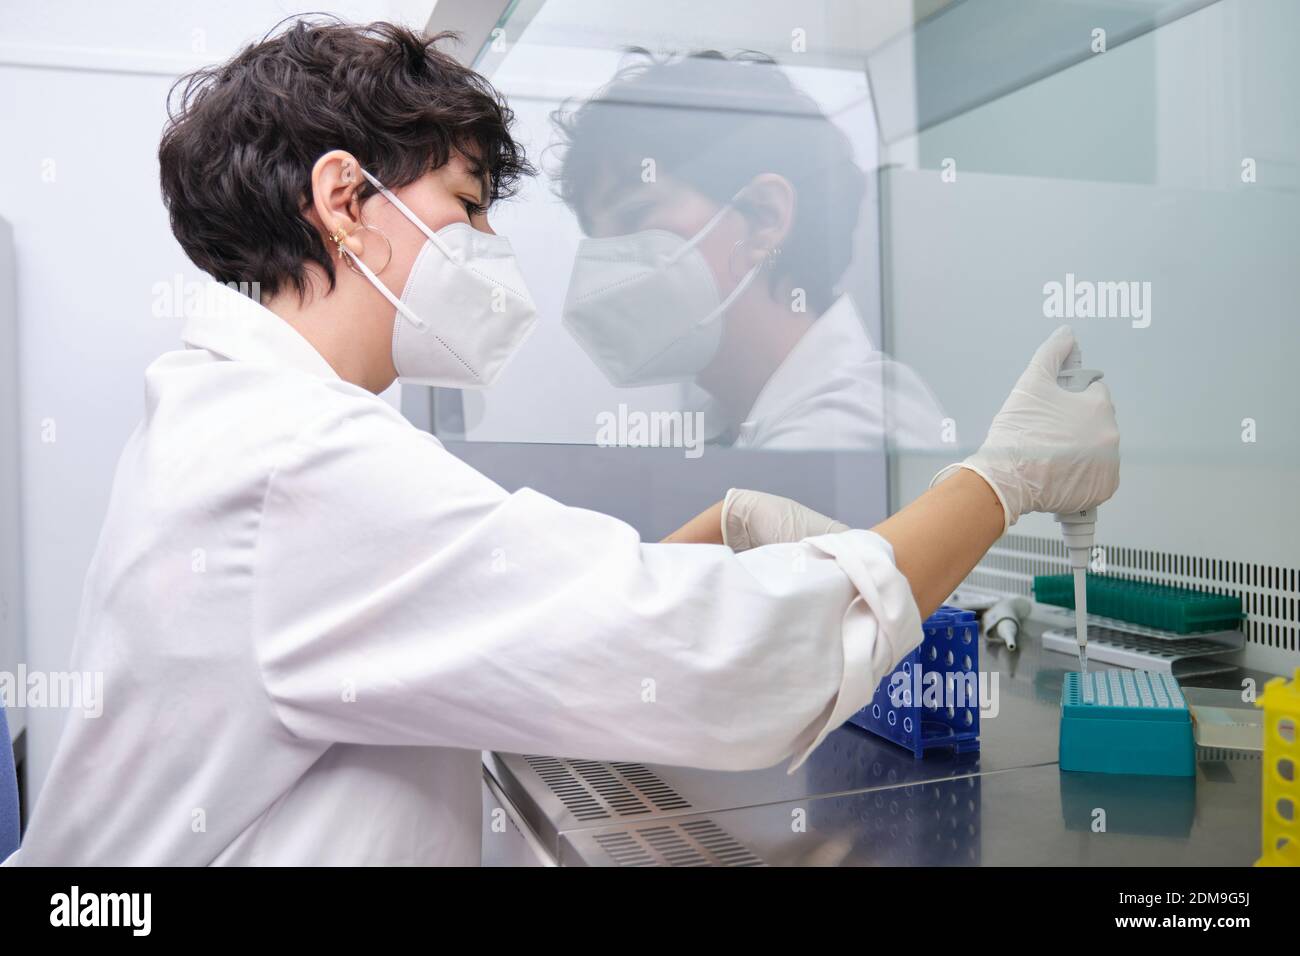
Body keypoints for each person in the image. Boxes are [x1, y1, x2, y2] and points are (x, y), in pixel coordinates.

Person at [6, 21, 1118, 866]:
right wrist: (1000, 476)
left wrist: (688, 555)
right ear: (343, 198)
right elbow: (713, 661)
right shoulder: (291, 456)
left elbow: (462, 622)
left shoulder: (236, 421)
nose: (491, 245)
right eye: (467, 202)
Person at [554, 50, 950, 450]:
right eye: (597, 238)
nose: (609, 266)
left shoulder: (850, 431)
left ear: (764, 218)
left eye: (635, 214)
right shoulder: (706, 428)